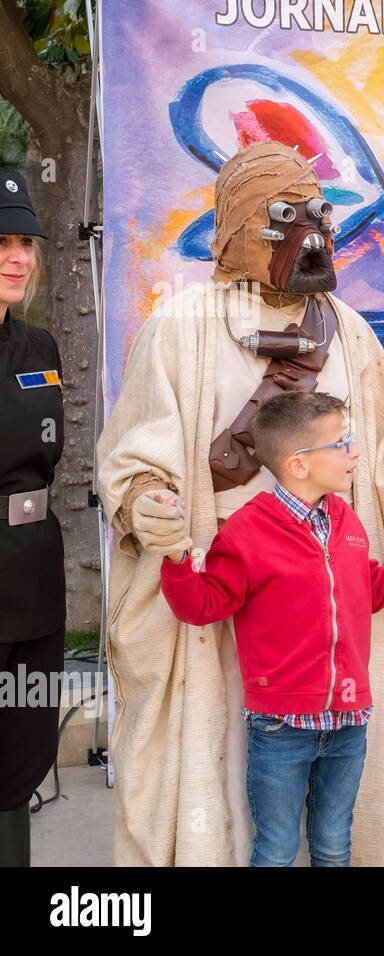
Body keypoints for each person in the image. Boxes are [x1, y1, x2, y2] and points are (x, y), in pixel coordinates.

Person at [96, 142, 384, 866]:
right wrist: (146, 504)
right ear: (243, 225)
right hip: (221, 587)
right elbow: (135, 451)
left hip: (323, 616)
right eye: (284, 216)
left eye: (316, 214)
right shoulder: (179, 328)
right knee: (226, 774)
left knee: (336, 810)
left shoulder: (351, 333)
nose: (309, 234)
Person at [157, 391, 384, 865]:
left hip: (349, 720)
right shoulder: (247, 532)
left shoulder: (346, 520)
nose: (354, 451)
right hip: (280, 727)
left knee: (334, 844)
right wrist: (176, 558)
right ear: (298, 464)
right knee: (278, 848)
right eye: (342, 442)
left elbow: (372, 590)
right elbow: (203, 605)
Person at [0, 171, 62, 867]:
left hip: (36, 587)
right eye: (2, 242)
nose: (18, 257)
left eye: (25, 243)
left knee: (21, 761)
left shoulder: (39, 348)